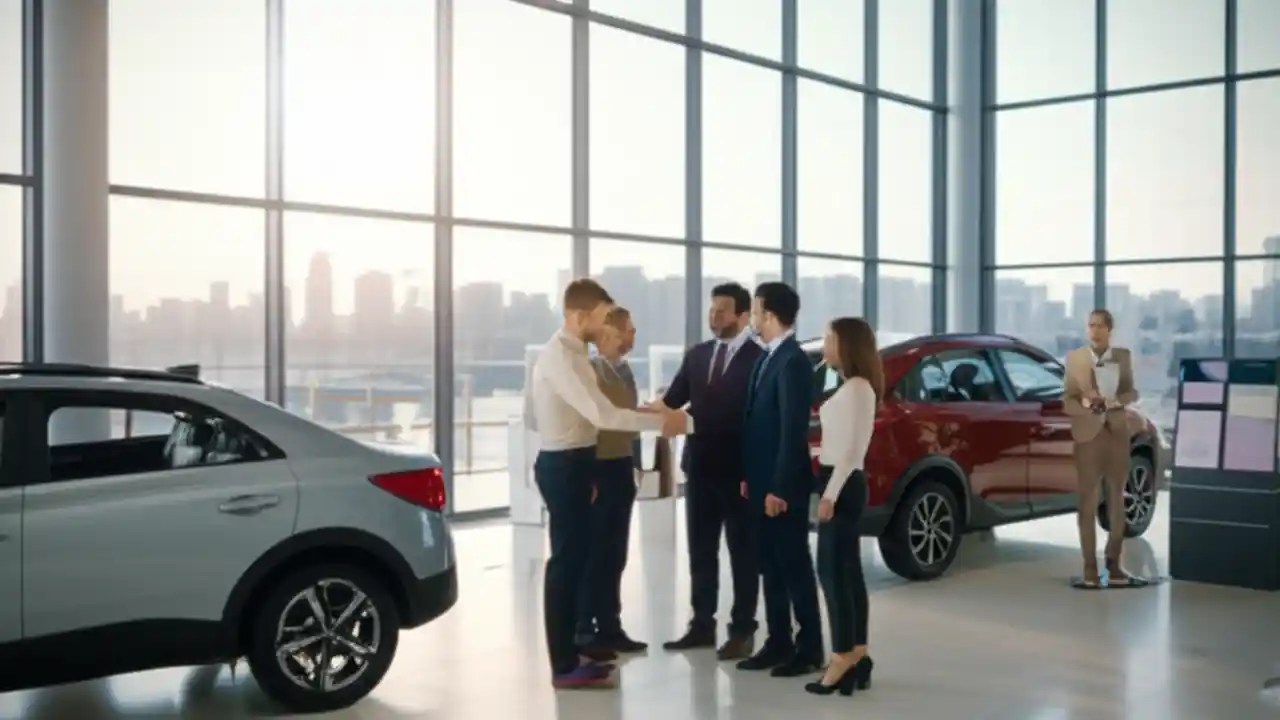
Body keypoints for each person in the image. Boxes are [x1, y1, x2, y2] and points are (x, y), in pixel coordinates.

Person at [524, 279, 689, 689]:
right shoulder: (561, 357)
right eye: (601, 317)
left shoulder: (574, 354)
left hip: (575, 460)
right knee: (566, 563)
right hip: (565, 464)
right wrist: (666, 421)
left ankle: (574, 652)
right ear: (580, 316)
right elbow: (606, 415)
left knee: (578, 559)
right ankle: (563, 665)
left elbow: (549, 415)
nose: (606, 325)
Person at [659, 283, 764, 660]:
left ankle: (742, 631)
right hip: (700, 469)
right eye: (712, 310)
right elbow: (672, 400)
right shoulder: (698, 355)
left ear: (742, 315)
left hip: (739, 473)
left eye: (722, 310)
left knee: (742, 554)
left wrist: (687, 420)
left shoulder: (758, 359)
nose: (714, 317)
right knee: (701, 551)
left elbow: (742, 415)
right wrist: (637, 414)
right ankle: (701, 625)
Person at [737, 282, 824, 678]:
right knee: (769, 565)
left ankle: (809, 649)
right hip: (759, 483)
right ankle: (778, 641)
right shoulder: (767, 357)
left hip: (780, 487)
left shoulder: (793, 361)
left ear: (769, 315)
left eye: (755, 311)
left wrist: (777, 487)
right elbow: (755, 425)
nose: (752, 318)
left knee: (793, 567)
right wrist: (748, 478)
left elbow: (792, 432)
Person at [805, 317, 881, 697]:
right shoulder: (853, 385)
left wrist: (830, 495)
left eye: (830, 339)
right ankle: (856, 654)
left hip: (843, 482)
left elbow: (851, 451)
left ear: (848, 345)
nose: (824, 344)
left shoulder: (856, 389)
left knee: (832, 573)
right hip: (842, 481)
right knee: (847, 572)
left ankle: (840, 657)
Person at [575, 307, 648, 655]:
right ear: (612, 333)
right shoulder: (591, 370)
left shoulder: (625, 371)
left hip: (620, 467)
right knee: (594, 553)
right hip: (598, 468)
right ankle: (584, 628)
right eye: (629, 331)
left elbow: (630, 421)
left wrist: (637, 465)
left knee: (615, 552)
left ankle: (610, 625)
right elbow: (586, 423)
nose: (633, 337)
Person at [1063, 308, 1139, 588]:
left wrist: (1116, 401)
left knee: (1117, 501)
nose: (1093, 331)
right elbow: (1067, 400)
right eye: (1090, 325)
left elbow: (1133, 392)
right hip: (1087, 437)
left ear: (1109, 330)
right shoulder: (1075, 359)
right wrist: (1084, 404)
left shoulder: (1123, 357)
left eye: (1099, 326)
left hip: (1117, 434)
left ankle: (1114, 566)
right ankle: (1089, 570)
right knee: (1087, 504)